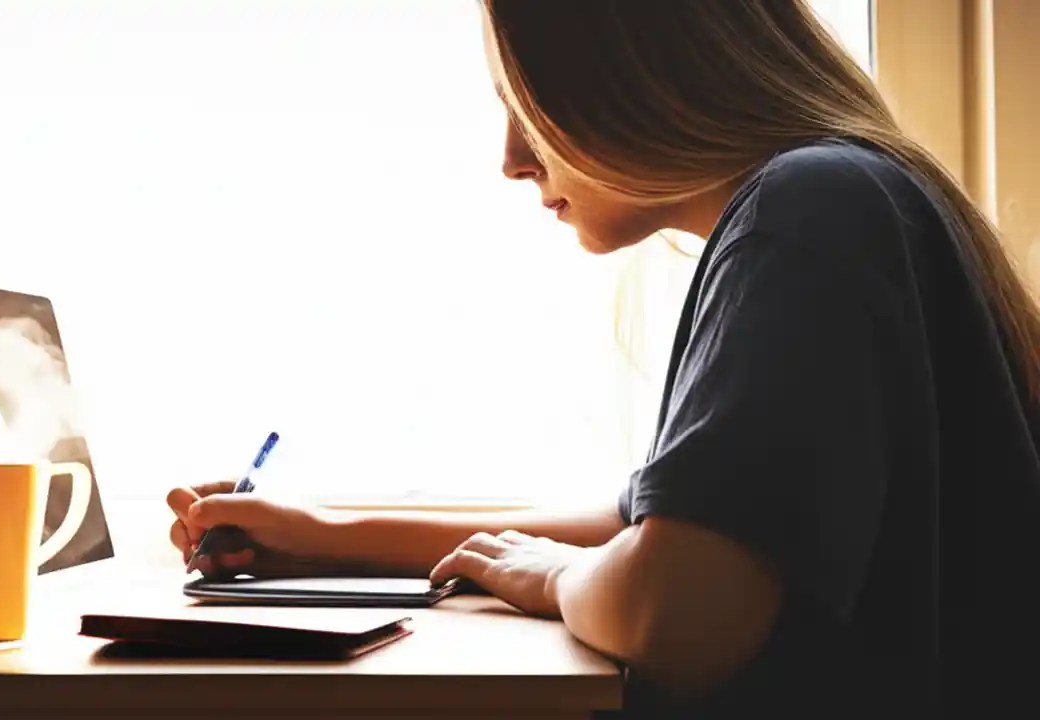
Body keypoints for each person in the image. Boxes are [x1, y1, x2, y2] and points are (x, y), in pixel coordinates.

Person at [167, 2, 1040, 717]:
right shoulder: (849, 199)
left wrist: (557, 581)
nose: (511, 159)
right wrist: (327, 540)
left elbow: (676, 608)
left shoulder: (808, 209)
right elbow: (644, 524)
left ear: (632, 77)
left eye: (529, 103)